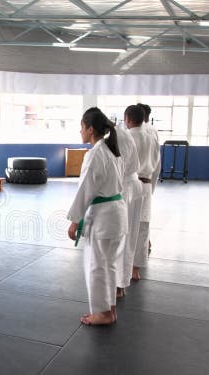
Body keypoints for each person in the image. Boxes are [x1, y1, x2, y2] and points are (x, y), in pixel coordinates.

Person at [68, 107, 127, 326]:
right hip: (116, 214)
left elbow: (86, 189)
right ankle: (110, 309)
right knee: (109, 265)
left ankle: (102, 313)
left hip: (103, 217)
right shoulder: (113, 151)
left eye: (82, 127)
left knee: (96, 266)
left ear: (90, 129)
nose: (80, 131)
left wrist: (75, 220)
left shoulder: (95, 154)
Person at [126, 105, 161, 281]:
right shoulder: (152, 138)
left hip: (129, 186)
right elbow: (157, 167)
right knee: (142, 228)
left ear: (128, 119)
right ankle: (135, 270)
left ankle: (123, 270)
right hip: (146, 185)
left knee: (125, 227)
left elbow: (119, 165)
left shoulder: (125, 138)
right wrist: (151, 188)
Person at [115, 108, 143, 298]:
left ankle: (119, 284)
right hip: (138, 185)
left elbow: (118, 167)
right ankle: (126, 277)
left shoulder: (120, 137)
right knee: (132, 235)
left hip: (125, 187)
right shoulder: (146, 134)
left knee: (120, 237)